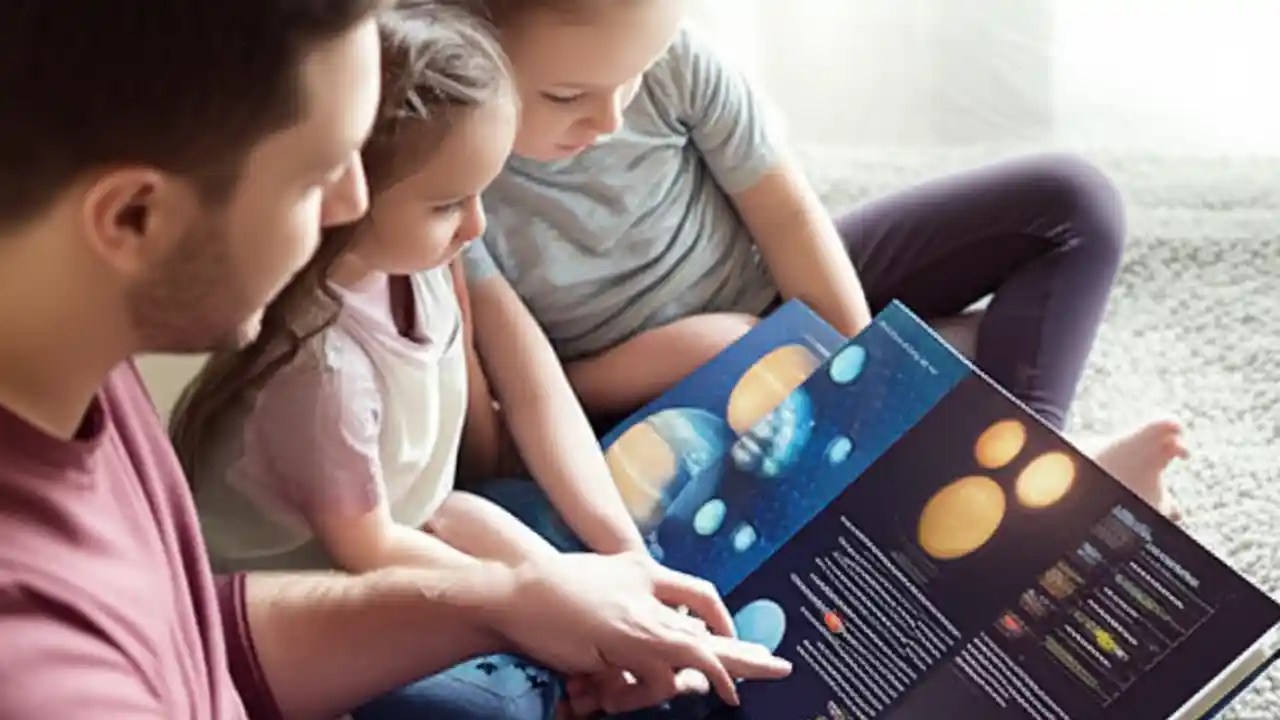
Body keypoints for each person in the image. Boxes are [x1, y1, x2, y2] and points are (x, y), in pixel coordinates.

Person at [0, 2, 791, 719]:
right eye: (316, 177)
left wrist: (507, 601)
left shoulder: (79, 372)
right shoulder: (50, 678)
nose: (352, 204)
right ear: (135, 215)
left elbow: (197, 628)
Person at [169, 6, 710, 717]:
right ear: (348, 192)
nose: (478, 226)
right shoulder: (322, 372)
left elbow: (444, 500)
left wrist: (610, 569)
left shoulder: (419, 259)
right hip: (322, 596)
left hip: (418, 522)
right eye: (450, 204)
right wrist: (537, 613)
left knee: (580, 541)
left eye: (481, 193)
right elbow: (368, 553)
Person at [456, 0, 1188, 515]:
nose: (611, 118)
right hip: (635, 397)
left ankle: (1027, 463)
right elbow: (511, 412)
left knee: (1069, 202)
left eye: (635, 76)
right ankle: (1008, 480)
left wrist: (860, 376)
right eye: (567, 94)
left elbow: (789, 218)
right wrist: (658, 365)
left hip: (770, 296)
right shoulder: (450, 172)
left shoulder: (677, 59)